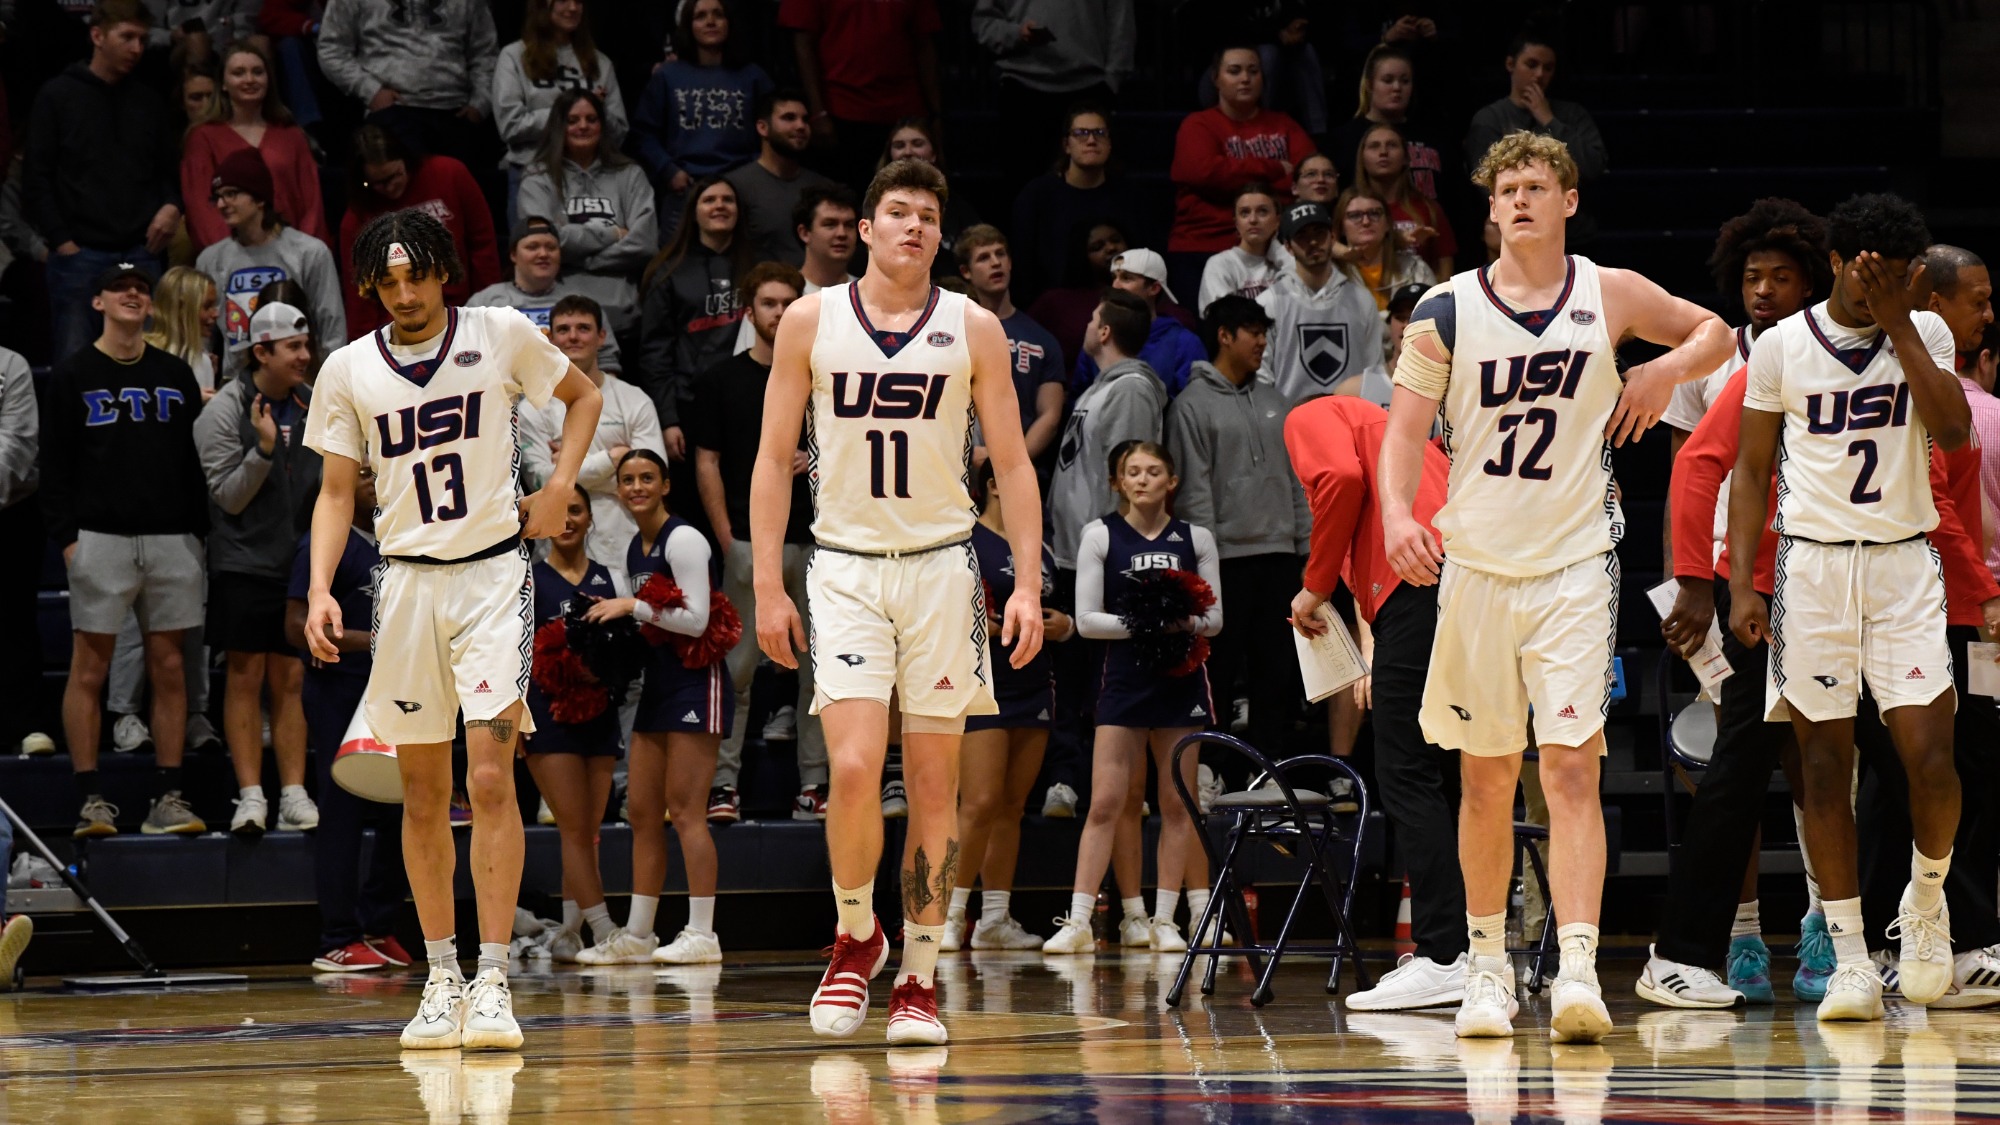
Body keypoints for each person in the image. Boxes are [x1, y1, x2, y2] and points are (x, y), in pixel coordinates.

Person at [1379, 131, 1729, 1040]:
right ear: (1489, 207)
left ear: (1569, 200)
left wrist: (1663, 369)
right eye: (1507, 189)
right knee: (1486, 774)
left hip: (1575, 563)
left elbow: (1715, 332)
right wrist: (1397, 516)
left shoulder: (1610, 292)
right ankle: (1486, 969)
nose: (1521, 199)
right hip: (1476, 566)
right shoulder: (1445, 310)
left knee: (1571, 765)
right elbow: (1402, 434)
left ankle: (1577, 969)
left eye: (1537, 185)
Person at [749, 159, 1045, 1045]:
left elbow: (1014, 462)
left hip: (943, 569)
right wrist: (767, 583)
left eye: (928, 216)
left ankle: (919, 971)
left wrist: (1029, 583)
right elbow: (771, 459)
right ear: (865, 229)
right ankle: (855, 935)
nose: (914, 226)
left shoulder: (974, 326)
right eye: (899, 212)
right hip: (844, 567)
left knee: (932, 784)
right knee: (849, 769)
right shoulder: (811, 319)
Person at [301, 208, 605, 1050]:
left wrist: (559, 486)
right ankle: (442, 977)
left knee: (492, 777)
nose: (403, 294)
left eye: (416, 277)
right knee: (424, 791)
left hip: (493, 577)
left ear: (444, 272)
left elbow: (583, 397)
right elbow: (336, 492)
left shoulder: (499, 331)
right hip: (403, 585)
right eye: (387, 283)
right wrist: (321, 586)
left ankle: (494, 979)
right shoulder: (348, 368)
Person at [1725, 194, 1969, 1022]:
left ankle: (1926, 901)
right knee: (1823, 766)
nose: (1883, 292)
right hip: (1813, 571)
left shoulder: (1923, 331)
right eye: (1871, 279)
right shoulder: (1781, 345)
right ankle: (1853, 958)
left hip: (1902, 564)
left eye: (1898, 278)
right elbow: (1750, 469)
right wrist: (1742, 581)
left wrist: (1900, 322)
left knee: (1930, 760)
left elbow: (1955, 431)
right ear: (1835, 265)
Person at [1644, 199, 1831, 1005]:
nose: (1764, 290)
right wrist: (1679, 585)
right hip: (1725, 581)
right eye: (1753, 276)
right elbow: (1686, 475)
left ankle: (1825, 921)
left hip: (1814, 572)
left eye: (1781, 277)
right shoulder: (1714, 359)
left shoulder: (1825, 351)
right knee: (1731, 758)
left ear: (1809, 283)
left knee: (1812, 756)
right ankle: (1743, 933)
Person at [1286, 392, 1463, 1010]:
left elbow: (1339, 478)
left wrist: (1313, 587)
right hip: (1468, 585)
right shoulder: (1410, 440)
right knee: (1454, 773)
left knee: (1406, 771)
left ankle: (1443, 955)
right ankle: (1475, 951)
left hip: (1414, 589)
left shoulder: (1309, 415)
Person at [40, 262, 211, 838]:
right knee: (90, 667)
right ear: (98, 303)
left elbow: (192, 463)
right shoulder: (73, 374)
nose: (132, 295)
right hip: (100, 538)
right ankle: (90, 799)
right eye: (120, 289)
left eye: (140, 289)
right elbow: (54, 464)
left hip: (171, 539)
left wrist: (196, 533)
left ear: (151, 305)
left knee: (170, 666)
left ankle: (170, 797)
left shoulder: (174, 374)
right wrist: (69, 540)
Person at [1044, 441, 1220, 954]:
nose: (1143, 480)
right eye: (1133, 472)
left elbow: (1214, 619)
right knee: (1105, 801)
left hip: (1181, 679)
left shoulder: (1196, 537)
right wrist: (1149, 621)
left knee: (1178, 802)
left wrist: (1175, 621)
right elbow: (1087, 620)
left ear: (1172, 481)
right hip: (1122, 681)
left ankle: (1166, 921)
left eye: (1154, 471)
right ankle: (1079, 922)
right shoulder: (1099, 534)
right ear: (1118, 482)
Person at [567, 449, 732, 965]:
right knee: (641, 811)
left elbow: (698, 621)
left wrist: (632, 606)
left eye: (646, 478)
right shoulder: (636, 547)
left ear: (665, 485)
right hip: (659, 684)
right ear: (618, 490)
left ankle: (703, 934)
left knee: (686, 811)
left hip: (696, 682)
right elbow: (651, 623)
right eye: (628, 480)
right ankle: (639, 935)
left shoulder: (684, 539)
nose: (636, 487)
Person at [688, 263, 828, 820]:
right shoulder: (721, 379)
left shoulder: (824, 379)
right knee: (736, 672)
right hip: (748, 543)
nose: (780, 312)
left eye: (789, 303)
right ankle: (723, 785)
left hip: (820, 544)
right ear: (750, 312)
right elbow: (707, 462)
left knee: (821, 671)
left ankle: (815, 785)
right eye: (769, 303)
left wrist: (817, 457)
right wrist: (728, 538)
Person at [193, 301, 323, 837]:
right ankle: (250, 795)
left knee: (291, 677)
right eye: (293, 347)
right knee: (245, 677)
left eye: (305, 345)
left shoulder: (315, 403)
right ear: (262, 351)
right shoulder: (223, 410)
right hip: (243, 561)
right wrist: (264, 449)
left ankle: (293, 792)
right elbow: (227, 496)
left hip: (300, 562)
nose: (305, 355)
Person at [1169, 295, 1309, 764]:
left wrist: (1306, 548)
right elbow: (1194, 493)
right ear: (1224, 336)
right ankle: (1211, 770)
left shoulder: (1277, 402)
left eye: (1265, 332)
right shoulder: (1191, 406)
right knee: (1220, 672)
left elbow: (1296, 481)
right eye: (1253, 331)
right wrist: (1204, 565)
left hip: (1280, 557)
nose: (1262, 341)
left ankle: (1271, 769)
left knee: (1277, 672)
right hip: (1225, 560)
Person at [942, 455, 1071, 951]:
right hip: (982, 683)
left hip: (1034, 682)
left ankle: (994, 919)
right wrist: (982, 624)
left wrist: (1064, 626)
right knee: (978, 803)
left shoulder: (1037, 545)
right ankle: (949, 916)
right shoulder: (964, 539)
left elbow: (1052, 606)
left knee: (1012, 806)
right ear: (994, 485)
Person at [287, 464, 413, 973]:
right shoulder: (323, 546)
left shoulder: (401, 539)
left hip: (397, 691)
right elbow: (296, 624)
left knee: (401, 809)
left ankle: (378, 925)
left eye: (377, 473)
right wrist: (373, 642)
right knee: (342, 812)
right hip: (340, 691)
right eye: (362, 473)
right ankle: (336, 938)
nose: (372, 481)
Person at [25, 0, 183, 363]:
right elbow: (36, 179)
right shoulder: (57, 96)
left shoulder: (148, 100)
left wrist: (172, 206)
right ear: (97, 36)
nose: (137, 48)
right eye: (127, 37)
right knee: (75, 363)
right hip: (79, 254)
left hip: (142, 251)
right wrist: (62, 241)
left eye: (142, 39)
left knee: (146, 361)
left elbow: (171, 172)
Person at [519, 486, 624, 963]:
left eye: (575, 511)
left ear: (589, 518)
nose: (566, 520)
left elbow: (627, 646)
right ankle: (605, 930)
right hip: (548, 716)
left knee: (589, 831)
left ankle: (568, 931)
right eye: (559, 512)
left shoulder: (610, 577)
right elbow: (515, 651)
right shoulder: (528, 579)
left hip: (600, 713)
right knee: (574, 829)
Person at [520, 294, 667, 568]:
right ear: (551, 338)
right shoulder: (532, 408)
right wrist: (613, 459)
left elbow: (652, 481)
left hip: (628, 542)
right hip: (557, 549)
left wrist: (566, 466)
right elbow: (541, 482)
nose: (573, 337)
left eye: (583, 328)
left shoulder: (635, 400)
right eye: (563, 329)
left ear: (601, 337)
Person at [1168, 45, 1315, 301]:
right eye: (1234, 71)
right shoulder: (1198, 125)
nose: (1245, 78)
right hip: (1204, 243)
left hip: (1275, 246)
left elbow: (1311, 178)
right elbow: (1205, 174)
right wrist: (1274, 169)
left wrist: (1232, 178)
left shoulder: (1284, 124)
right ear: (1216, 78)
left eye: (1253, 71)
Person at [515, 89, 656, 342]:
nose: (583, 126)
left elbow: (644, 242)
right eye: (573, 120)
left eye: (591, 119)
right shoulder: (537, 179)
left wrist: (583, 259)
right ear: (559, 126)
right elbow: (543, 243)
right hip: (560, 319)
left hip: (622, 313)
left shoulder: (629, 174)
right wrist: (613, 233)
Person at [339, 125, 502, 340]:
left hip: (463, 309)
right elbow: (359, 295)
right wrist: (365, 343)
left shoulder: (449, 174)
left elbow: (482, 246)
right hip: (401, 326)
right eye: (377, 183)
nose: (390, 187)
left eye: (394, 175)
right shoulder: (356, 218)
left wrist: (488, 310)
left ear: (406, 160)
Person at [632, 0, 772, 244]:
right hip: (685, 186)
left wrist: (753, 172)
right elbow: (643, 133)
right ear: (688, 25)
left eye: (718, 14)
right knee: (675, 261)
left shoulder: (753, 76)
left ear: (729, 23)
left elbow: (771, 131)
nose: (710, 22)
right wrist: (668, 170)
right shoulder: (668, 76)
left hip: (741, 188)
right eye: (701, 16)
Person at [194, 148, 346, 366]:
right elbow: (201, 335)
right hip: (236, 379)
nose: (221, 204)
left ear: (259, 198)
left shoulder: (309, 252)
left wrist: (333, 379)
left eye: (231, 194)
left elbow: (331, 327)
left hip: (298, 378)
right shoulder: (209, 260)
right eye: (217, 197)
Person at [637, 177, 754, 461]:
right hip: (690, 404)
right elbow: (655, 352)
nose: (719, 206)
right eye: (709, 200)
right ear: (693, 212)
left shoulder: (758, 267)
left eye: (728, 200)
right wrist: (668, 419)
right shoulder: (668, 272)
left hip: (749, 399)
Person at [972, 0, 1133, 204]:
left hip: (1088, 87)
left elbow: (1120, 19)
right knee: (1023, 193)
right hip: (1022, 88)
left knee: (1094, 196)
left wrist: (1113, 78)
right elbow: (984, 21)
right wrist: (1016, 33)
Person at [779, 0, 943, 193]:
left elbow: (925, 43)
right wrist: (818, 112)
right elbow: (802, 42)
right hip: (840, 110)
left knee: (911, 193)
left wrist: (936, 113)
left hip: (903, 110)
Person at [316, 0, 498, 172]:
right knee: (406, 192)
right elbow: (331, 48)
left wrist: (479, 105)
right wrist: (370, 91)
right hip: (392, 110)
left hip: (457, 113)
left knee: (453, 192)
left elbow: (486, 54)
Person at [1464, 32, 1607, 251]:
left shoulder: (1572, 114)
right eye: (1531, 65)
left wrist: (1548, 119)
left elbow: (1594, 166)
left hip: (1572, 235)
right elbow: (1484, 182)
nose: (1540, 74)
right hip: (1514, 232)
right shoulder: (1489, 118)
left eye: (1548, 68)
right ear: (1510, 64)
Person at [183, 40, 328, 252]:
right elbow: (201, 210)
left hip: (293, 255)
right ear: (223, 83)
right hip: (232, 258)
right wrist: (232, 257)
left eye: (258, 72)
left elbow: (312, 205)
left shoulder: (292, 135)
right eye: (239, 73)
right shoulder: (203, 138)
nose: (250, 79)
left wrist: (303, 254)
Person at [494, 0, 628, 221]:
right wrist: (569, 113)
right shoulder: (514, 56)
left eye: (579, 1)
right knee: (536, 242)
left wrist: (597, 111)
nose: (573, 8)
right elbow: (510, 125)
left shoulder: (600, 62)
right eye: (563, 0)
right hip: (532, 173)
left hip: (590, 178)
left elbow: (619, 132)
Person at [1009, 106, 1154, 307]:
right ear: (1066, 145)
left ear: (1110, 143)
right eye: (1081, 133)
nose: (1091, 140)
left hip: (1122, 305)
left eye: (1099, 133)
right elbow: (1023, 265)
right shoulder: (1037, 196)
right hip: (1052, 307)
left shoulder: (1131, 196)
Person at [956, 225, 1065, 469]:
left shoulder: (1041, 339)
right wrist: (967, 452)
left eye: (1000, 254)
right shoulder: (953, 329)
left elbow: (1049, 416)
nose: (996, 263)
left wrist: (1010, 463)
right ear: (966, 271)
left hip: (1020, 465)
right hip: (957, 465)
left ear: (1011, 262)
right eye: (984, 258)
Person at [1259, 200, 1386, 404]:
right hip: (1289, 418)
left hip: (1349, 418)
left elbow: (1373, 372)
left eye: (1319, 233)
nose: (1313, 242)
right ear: (1288, 247)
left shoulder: (1361, 300)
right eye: (1302, 236)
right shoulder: (1269, 302)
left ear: (1332, 237)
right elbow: (1261, 379)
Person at [468, 215, 628, 374]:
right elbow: (463, 357)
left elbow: (607, 361)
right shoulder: (484, 302)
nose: (543, 254)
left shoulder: (583, 303)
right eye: (532, 247)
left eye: (551, 247)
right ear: (514, 255)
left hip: (572, 388)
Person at [0, 343, 49, 759]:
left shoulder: (10, 364)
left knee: (15, 619)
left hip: (11, 510)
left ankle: (25, 723)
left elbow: (15, 442)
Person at [1327, 43, 1451, 206]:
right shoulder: (1343, 139)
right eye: (1388, 80)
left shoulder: (1434, 137)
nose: (1397, 87)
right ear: (1370, 85)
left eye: (1405, 81)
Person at [724, 90, 838, 269]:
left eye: (805, 119)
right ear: (763, 128)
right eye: (789, 118)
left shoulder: (824, 188)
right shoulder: (735, 187)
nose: (801, 126)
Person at [1076, 249, 1205, 397]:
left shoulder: (1184, 343)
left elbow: (1195, 403)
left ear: (1154, 288)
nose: (1115, 286)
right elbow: (1079, 397)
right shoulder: (1099, 334)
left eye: (1126, 278)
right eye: (1114, 277)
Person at [872, 119, 984, 278]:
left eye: (917, 144)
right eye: (899, 145)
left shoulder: (959, 208)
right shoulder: (874, 203)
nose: (907, 151)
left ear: (934, 154)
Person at [1026, 219, 1130, 381]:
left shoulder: (1141, 294)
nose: (1111, 248)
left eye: (1116, 240)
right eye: (1097, 247)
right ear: (1082, 256)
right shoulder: (1056, 302)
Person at [1356, 122, 1455, 277]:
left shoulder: (1429, 208)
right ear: (1362, 158)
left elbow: (1444, 268)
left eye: (1392, 145)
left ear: (1406, 158)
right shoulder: (1351, 210)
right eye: (1374, 146)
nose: (1383, 152)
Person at [1334, 185, 1438, 318]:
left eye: (1374, 213)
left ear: (1388, 223)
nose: (1366, 222)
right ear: (1341, 226)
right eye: (1354, 215)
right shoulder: (1332, 274)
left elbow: (1435, 319)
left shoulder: (1415, 268)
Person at [1197, 182, 1291, 313]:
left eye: (1262, 212)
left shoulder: (1287, 260)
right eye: (1245, 213)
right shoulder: (1220, 264)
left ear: (1277, 221)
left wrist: (1280, 252)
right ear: (1236, 223)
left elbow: (1304, 301)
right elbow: (1222, 317)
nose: (1253, 219)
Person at [794, 185, 860, 293]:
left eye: (849, 225)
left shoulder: (868, 293)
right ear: (804, 233)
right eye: (830, 224)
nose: (842, 233)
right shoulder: (785, 295)